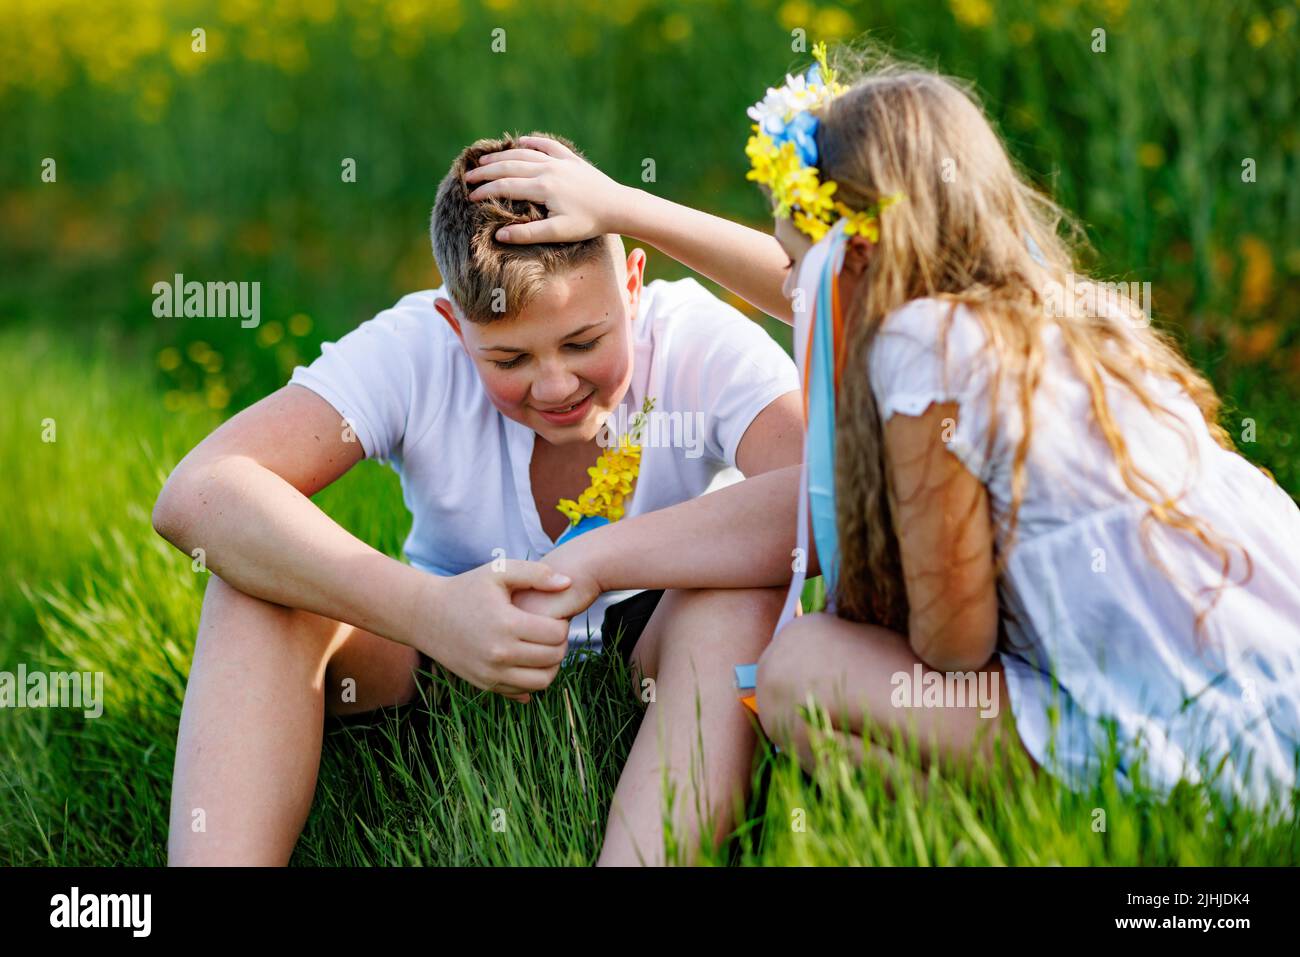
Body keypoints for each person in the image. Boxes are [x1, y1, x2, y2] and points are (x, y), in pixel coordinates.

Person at [471, 47, 1300, 811]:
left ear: (856, 260)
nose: (790, 287)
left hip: (1192, 741)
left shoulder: (921, 347)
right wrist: (624, 206)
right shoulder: (1065, 316)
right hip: (1265, 682)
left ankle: (1085, 816)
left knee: (797, 675)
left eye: (799, 262)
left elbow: (951, 645)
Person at [152, 131, 804, 866]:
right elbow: (198, 490)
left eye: (585, 340)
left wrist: (596, 560)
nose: (556, 385)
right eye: (510, 358)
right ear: (454, 324)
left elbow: (825, 501)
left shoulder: (697, 338)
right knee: (253, 589)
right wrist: (431, 612)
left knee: (742, 598)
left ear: (632, 285)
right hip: (440, 646)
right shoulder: (414, 347)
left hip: (654, 640)